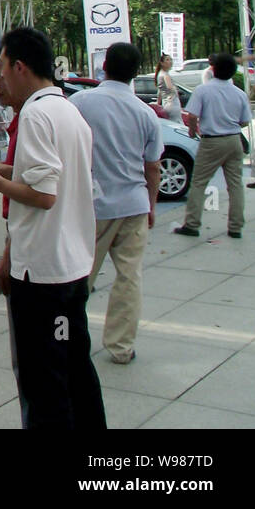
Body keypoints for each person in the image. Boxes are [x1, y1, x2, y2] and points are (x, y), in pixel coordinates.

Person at [0, 27, 106, 430]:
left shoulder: (37, 115)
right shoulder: (67, 110)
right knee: (76, 370)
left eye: (2, 70)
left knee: (44, 384)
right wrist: (5, 170)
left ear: (20, 67)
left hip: (43, 276)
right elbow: (50, 176)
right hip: (72, 266)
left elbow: (43, 195)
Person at [71, 42, 163, 365]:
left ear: (104, 66)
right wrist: (151, 205)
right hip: (135, 203)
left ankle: (67, 338)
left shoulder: (81, 102)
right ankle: (121, 346)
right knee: (129, 277)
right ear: (136, 73)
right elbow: (153, 166)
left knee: (80, 278)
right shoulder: (145, 113)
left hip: (94, 206)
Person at [174, 53, 252, 238]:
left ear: (214, 69)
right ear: (233, 72)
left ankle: (192, 224)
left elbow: (192, 115)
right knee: (235, 185)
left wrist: (193, 131)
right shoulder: (239, 93)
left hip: (211, 141)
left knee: (199, 182)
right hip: (234, 140)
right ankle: (235, 227)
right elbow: (245, 121)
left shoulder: (203, 90)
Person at [155, 54, 182, 122]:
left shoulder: (159, 74)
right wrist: (175, 92)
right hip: (172, 103)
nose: (170, 61)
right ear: (162, 63)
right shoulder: (165, 75)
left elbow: (159, 92)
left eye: (171, 59)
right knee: (178, 125)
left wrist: (158, 102)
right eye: (167, 60)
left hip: (165, 103)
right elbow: (170, 87)